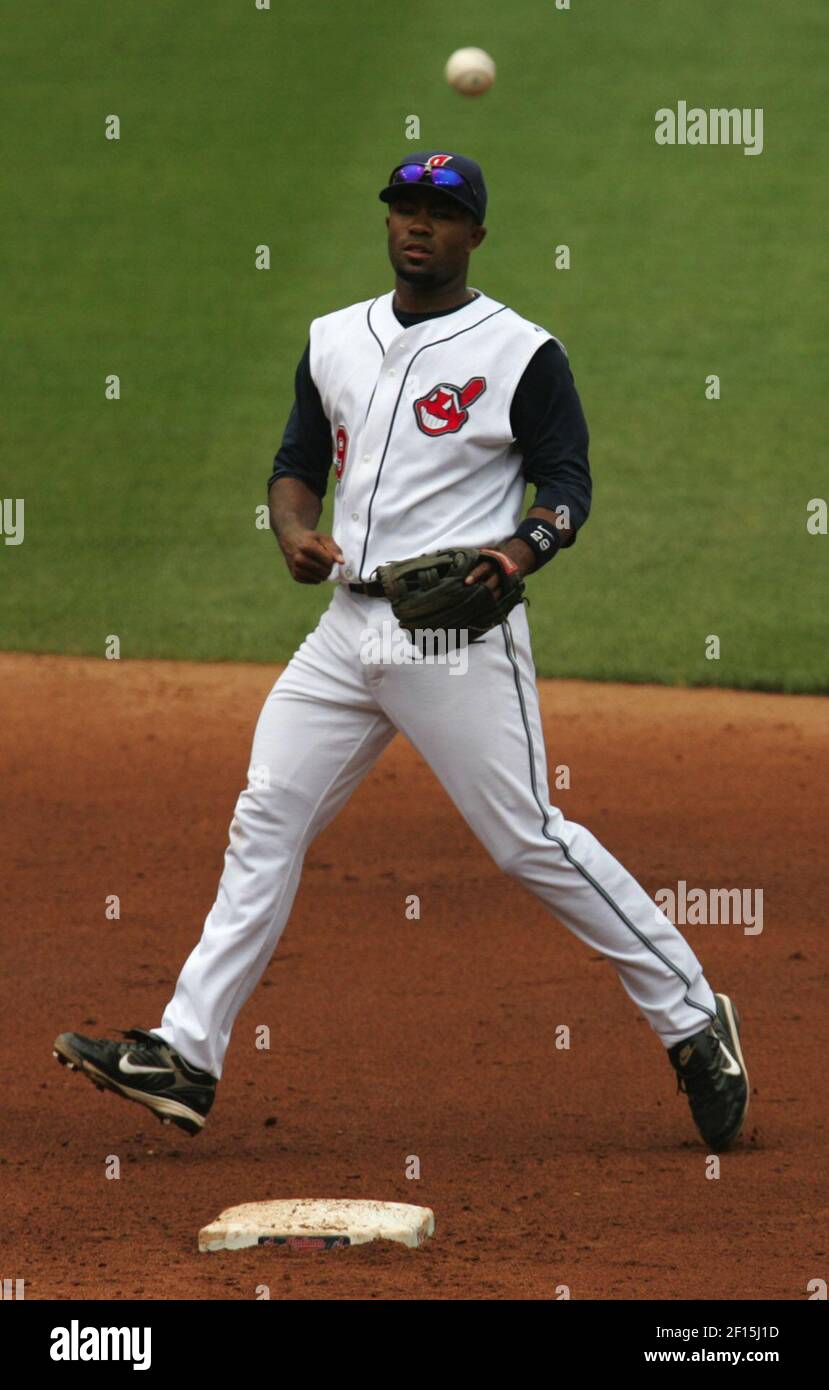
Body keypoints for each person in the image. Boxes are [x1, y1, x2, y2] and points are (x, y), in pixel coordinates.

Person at [54, 151, 749, 1152]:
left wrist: (518, 553)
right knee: (267, 816)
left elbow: (566, 485)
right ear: (386, 223)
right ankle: (185, 1051)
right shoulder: (333, 337)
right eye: (404, 209)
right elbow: (296, 466)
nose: (418, 226)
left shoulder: (520, 352)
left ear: (475, 233)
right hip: (345, 630)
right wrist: (293, 532)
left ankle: (693, 1018)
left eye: (441, 213)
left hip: (453, 637)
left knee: (526, 838)